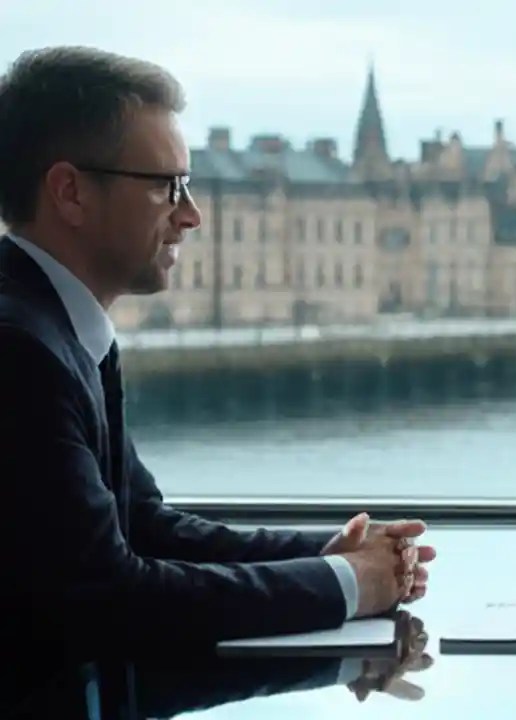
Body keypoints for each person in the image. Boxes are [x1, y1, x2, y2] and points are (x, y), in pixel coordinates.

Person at [0, 46, 435, 655]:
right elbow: (108, 594)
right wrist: (347, 585)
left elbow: (143, 527)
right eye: (166, 187)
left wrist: (330, 553)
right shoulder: (20, 353)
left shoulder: (56, 329)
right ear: (70, 193)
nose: (193, 215)